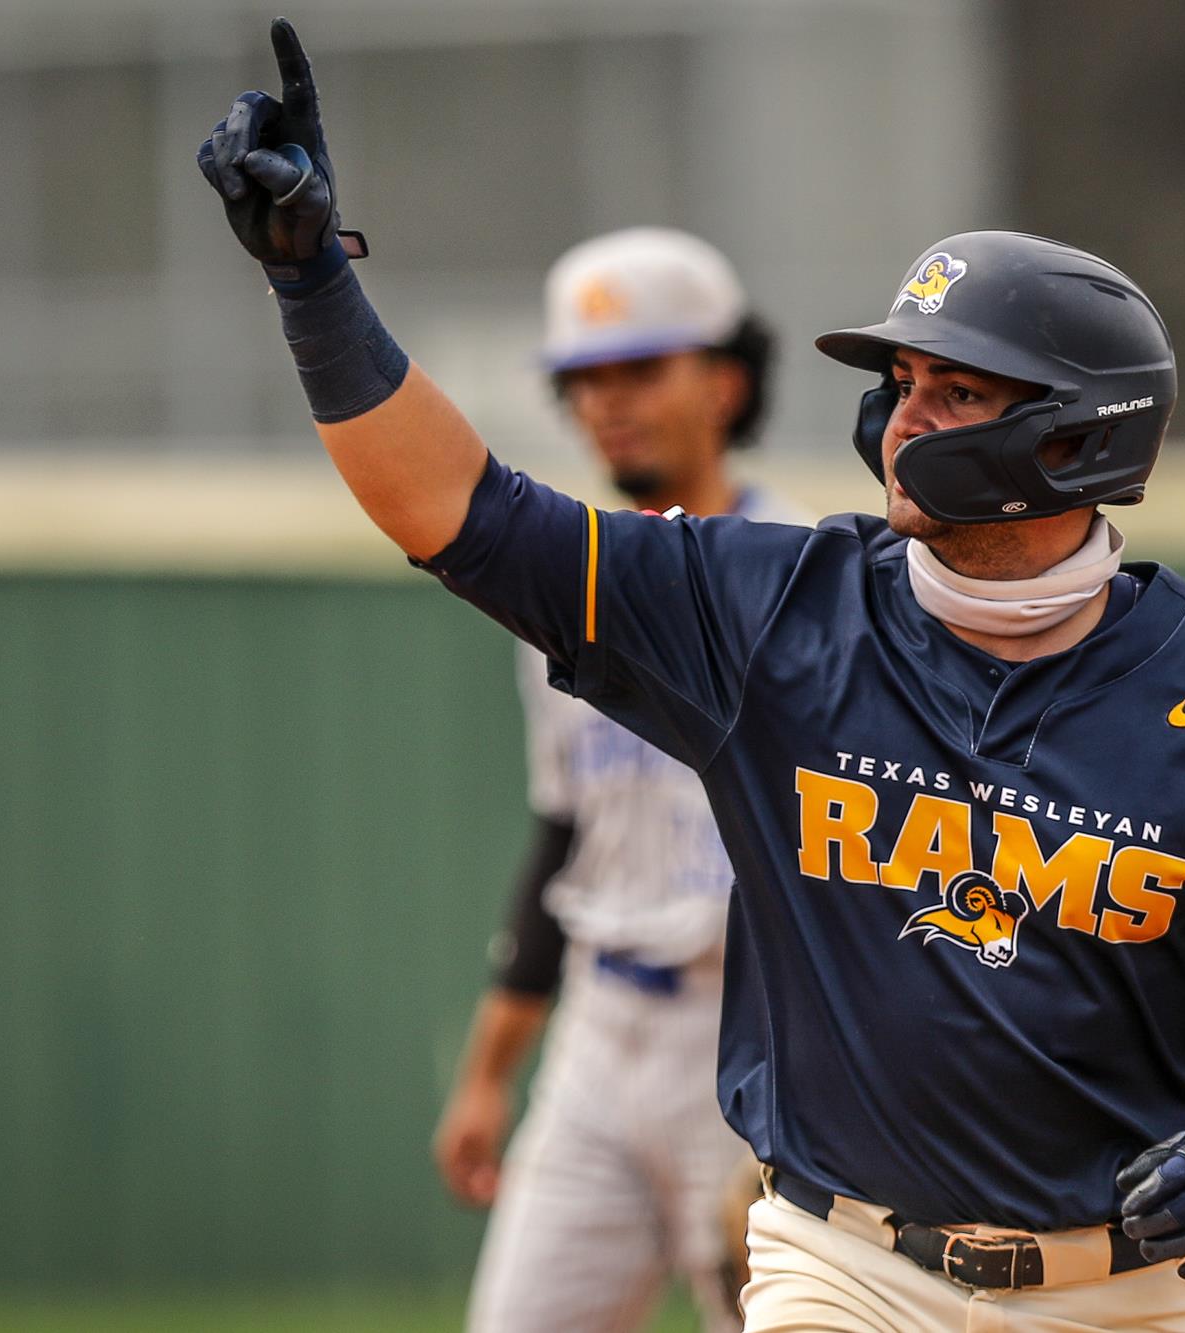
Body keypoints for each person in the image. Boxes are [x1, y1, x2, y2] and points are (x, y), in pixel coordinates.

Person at [199, 22, 1185, 1331]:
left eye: (955, 391)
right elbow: (458, 512)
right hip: (843, 1262)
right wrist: (312, 287)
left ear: (1076, 440)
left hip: (1122, 1289)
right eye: (900, 382)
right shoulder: (769, 607)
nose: (903, 417)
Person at [431, 227, 795, 1333]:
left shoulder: (803, 580)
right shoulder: (565, 587)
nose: (604, 402)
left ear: (726, 382)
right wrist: (490, 1069)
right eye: (582, 378)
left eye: (638, 368)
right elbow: (565, 835)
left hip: (750, 1037)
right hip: (600, 1032)